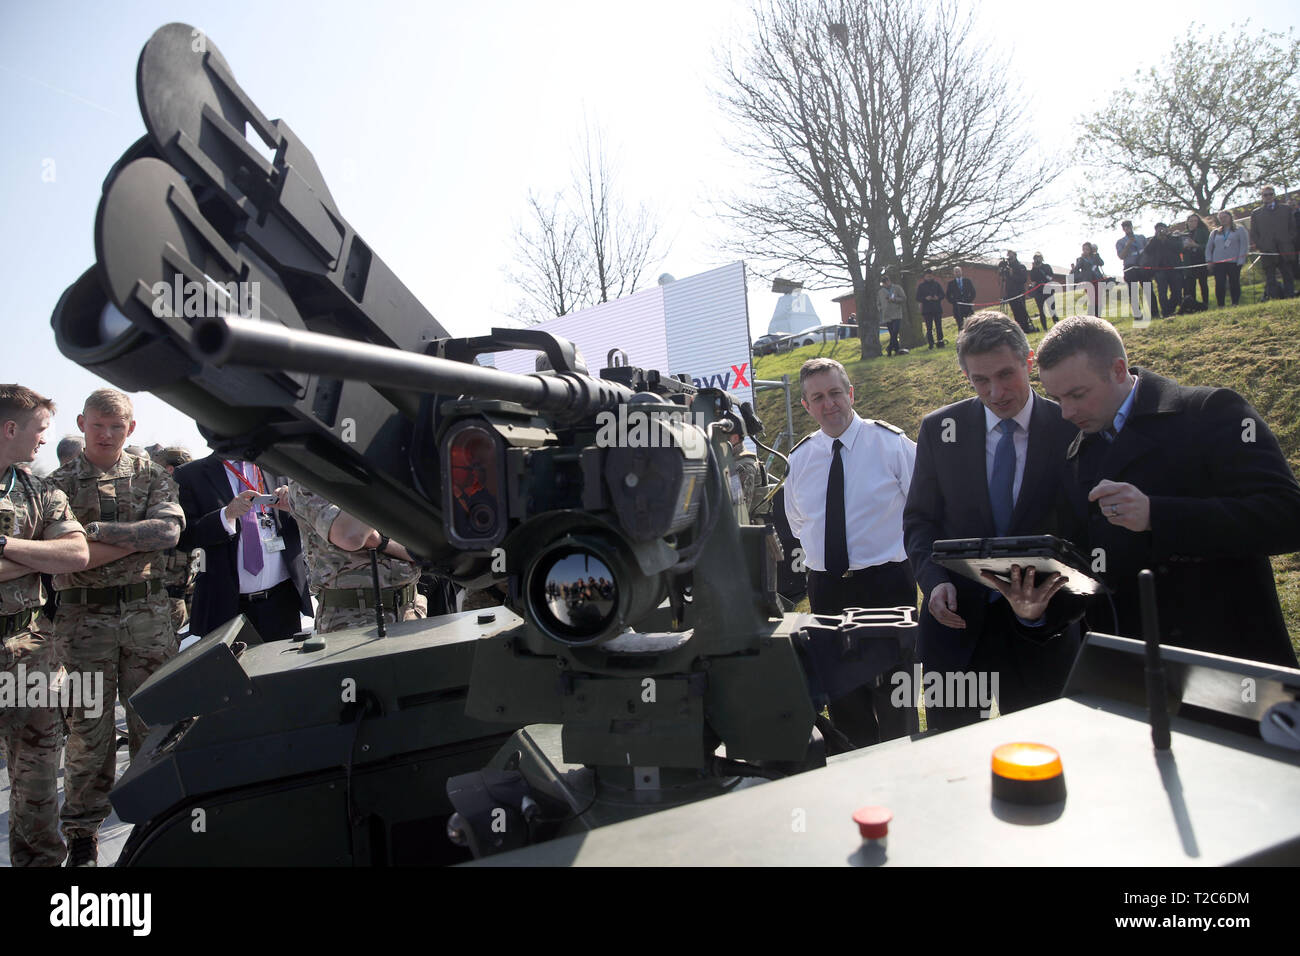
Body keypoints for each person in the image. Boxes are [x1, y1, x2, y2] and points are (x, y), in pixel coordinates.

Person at [1037, 316, 1300, 667]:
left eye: (1077, 395)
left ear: (1118, 370)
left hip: (1231, 662)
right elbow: (1090, 574)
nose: (1066, 412)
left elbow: (1287, 517)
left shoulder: (1211, 412)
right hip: (1132, 674)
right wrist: (1037, 607)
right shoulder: (1076, 455)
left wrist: (1156, 515)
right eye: (1055, 398)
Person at [903, 312, 1081, 734]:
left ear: (1029, 361)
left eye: (1006, 374)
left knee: (1045, 752)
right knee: (953, 761)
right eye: (980, 380)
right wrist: (933, 580)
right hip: (957, 626)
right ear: (965, 375)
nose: (996, 392)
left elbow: (1084, 528)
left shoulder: (1070, 426)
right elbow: (919, 520)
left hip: (1043, 627)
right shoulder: (939, 430)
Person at [47, 388, 185, 867]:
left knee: (158, 720)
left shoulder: (150, 475)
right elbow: (65, 555)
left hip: (147, 618)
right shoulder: (57, 483)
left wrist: (96, 535)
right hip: (82, 623)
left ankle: (161, 815)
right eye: (98, 425)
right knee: (88, 731)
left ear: (131, 429)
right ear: (82, 423)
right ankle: (83, 832)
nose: (107, 435)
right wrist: (134, 539)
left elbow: (167, 533)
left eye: (116, 426)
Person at [783, 358, 918, 749]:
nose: (830, 405)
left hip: (886, 588)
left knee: (897, 702)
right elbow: (797, 524)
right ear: (806, 406)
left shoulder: (892, 445)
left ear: (851, 394)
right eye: (818, 398)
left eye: (836, 393)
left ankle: (903, 783)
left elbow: (922, 511)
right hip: (827, 592)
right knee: (845, 704)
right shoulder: (799, 460)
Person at [0, 385, 89, 867]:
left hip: (28, 650)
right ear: (11, 428)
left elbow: (75, 554)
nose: (43, 440)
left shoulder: (40, 491)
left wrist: (3, 546)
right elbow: (52, 558)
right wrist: (33, 557)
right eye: (38, 430)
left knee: (36, 791)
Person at [173, 452, 312, 643]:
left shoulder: (278, 465)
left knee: (281, 670)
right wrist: (226, 515)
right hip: (225, 607)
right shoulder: (190, 474)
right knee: (232, 672)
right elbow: (183, 537)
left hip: (283, 601)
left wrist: (296, 506)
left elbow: (308, 524)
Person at [284, 480, 426, 634]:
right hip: (354, 617)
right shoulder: (308, 475)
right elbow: (351, 535)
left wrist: (381, 542)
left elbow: (426, 545)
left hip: (410, 608)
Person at [153, 447, 200, 638]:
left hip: (172, 598)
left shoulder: (168, 504)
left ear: (170, 470)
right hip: (189, 592)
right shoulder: (199, 496)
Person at [1250, 185, 1296, 301]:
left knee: (1287, 275)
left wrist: (1288, 239)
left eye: (1271, 194)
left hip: (1284, 248)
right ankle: (1274, 299)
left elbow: (1293, 228)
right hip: (1268, 250)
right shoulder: (1256, 213)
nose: (1268, 197)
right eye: (1266, 195)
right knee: (1270, 277)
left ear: (1274, 195)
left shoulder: (1285, 209)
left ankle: (1290, 296)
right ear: (1262, 197)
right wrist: (1261, 245)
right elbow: (1254, 233)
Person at [1206, 210, 1248, 307]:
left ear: (1230, 217)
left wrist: (1241, 260)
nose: (1223, 219)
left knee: (1234, 282)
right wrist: (1209, 260)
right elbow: (1209, 248)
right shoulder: (1215, 232)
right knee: (1220, 283)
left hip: (1234, 261)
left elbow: (1244, 246)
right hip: (1219, 262)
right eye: (1221, 218)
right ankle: (1221, 305)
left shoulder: (1239, 229)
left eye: (1225, 217)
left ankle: (1235, 303)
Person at [1116, 220, 1156, 320]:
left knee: (1148, 289)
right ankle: (1138, 315)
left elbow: (1149, 250)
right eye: (1125, 227)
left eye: (1128, 226)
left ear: (1132, 226)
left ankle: (1154, 313)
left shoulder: (1141, 237)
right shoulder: (1120, 242)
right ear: (1123, 229)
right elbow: (1121, 256)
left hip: (1142, 267)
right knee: (1133, 293)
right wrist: (1128, 245)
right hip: (1130, 268)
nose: (1127, 228)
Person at [1140, 223, 1182, 317]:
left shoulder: (1173, 238)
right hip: (1159, 270)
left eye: (1163, 229)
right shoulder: (1153, 241)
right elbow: (1147, 251)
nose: (1161, 231)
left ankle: (1171, 308)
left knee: (1176, 291)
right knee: (1162, 292)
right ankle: (1166, 312)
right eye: (1159, 230)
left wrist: (1166, 239)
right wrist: (1156, 239)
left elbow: (1179, 248)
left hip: (1173, 268)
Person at [997, 251, 1034, 334]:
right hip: (1010, 292)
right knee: (1015, 312)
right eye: (1008, 255)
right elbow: (1001, 278)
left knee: (1022, 311)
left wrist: (1012, 274)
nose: (1009, 256)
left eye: (1011, 255)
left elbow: (1023, 279)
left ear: (1015, 255)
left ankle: (1026, 328)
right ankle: (1019, 330)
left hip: (1019, 292)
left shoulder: (1021, 266)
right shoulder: (1007, 267)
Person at [1180, 213, 1210, 310]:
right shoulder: (1183, 234)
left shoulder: (1203, 231)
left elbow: (1208, 246)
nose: (1193, 223)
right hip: (1189, 262)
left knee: (1203, 284)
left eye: (1195, 221)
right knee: (1190, 285)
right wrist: (1183, 247)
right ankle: (1192, 306)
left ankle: (1205, 304)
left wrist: (1196, 245)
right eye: (1191, 221)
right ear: (1187, 222)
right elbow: (1180, 249)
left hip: (1200, 260)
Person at [1070, 243, 1105, 318]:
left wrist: (1096, 254)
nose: (1085, 251)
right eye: (1084, 249)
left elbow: (1102, 263)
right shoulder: (1081, 259)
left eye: (1087, 249)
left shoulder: (1095, 257)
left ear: (1090, 250)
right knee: (1092, 299)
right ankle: (1093, 316)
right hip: (1088, 282)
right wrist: (1074, 271)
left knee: (1099, 299)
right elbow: (1076, 269)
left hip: (1098, 279)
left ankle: (1098, 316)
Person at [877, 275, 908, 357]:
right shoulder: (880, 292)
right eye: (883, 283)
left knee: (895, 331)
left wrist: (894, 299)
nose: (885, 284)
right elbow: (878, 304)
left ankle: (890, 348)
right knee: (892, 333)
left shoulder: (897, 288)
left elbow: (904, 298)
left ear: (889, 281)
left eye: (886, 282)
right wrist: (881, 309)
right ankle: (896, 350)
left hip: (896, 313)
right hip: (886, 315)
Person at [916, 271, 947, 348]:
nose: (929, 278)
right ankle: (931, 343)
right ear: (924, 277)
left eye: (930, 276)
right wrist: (925, 298)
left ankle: (940, 341)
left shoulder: (937, 284)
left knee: (938, 326)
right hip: (927, 310)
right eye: (927, 276)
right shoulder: (921, 286)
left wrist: (938, 297)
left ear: (932, 276)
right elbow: (917, 298)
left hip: (937, 308)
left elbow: (943, 294)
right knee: (929, 328)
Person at [1028, 254, 1055, 329]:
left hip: (1048, 291)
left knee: (1052, 309)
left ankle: (1056, 324)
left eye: (1038, 258)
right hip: (1039, 292)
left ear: (1042, 258)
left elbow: (1050, 277)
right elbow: (1033, 280)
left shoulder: (1047, 267)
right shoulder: (1033, 270)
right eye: (1035, 258)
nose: (1037, 260)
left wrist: (1042, 272)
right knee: (1041, 311)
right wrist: (1035, 269)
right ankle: (1045, 328)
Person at [946, 266, 976, 331]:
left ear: (961, 272)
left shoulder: (967, 281)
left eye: (958, 271)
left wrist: (969, 300)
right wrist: (954, 302)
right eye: (956, 272)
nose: (957, 273)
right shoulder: (951, 283)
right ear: (954, 273)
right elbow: (948, 296)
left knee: (971, 324)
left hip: (967, 306)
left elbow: (973, 292)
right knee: (960, 326)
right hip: (957, 308)